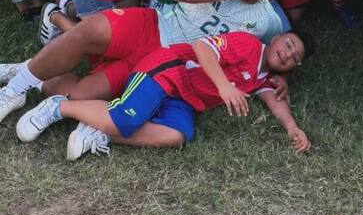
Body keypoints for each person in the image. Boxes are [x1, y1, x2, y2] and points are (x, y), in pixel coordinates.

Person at [0, 0, 289, 122]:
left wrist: (279, 76)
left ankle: (32, 73)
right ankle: (14, 89)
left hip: (164, 64)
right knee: (88, 31)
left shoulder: (268, 19)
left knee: (79, 95)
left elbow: (279, 50)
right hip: (154, 26)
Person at [16, 27, 313, 160]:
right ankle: (59, 107)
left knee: (177, 135)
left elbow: (273, 100)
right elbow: (202, 47)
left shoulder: (264, 77)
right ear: (277, 37)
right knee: (125, 118)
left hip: (185, 99)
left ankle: (99, 131)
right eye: (288, 45)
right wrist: (223, 85)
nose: (288, 54)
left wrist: (292, 128)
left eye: (295, 58)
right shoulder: (249, 44)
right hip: (169, 70)